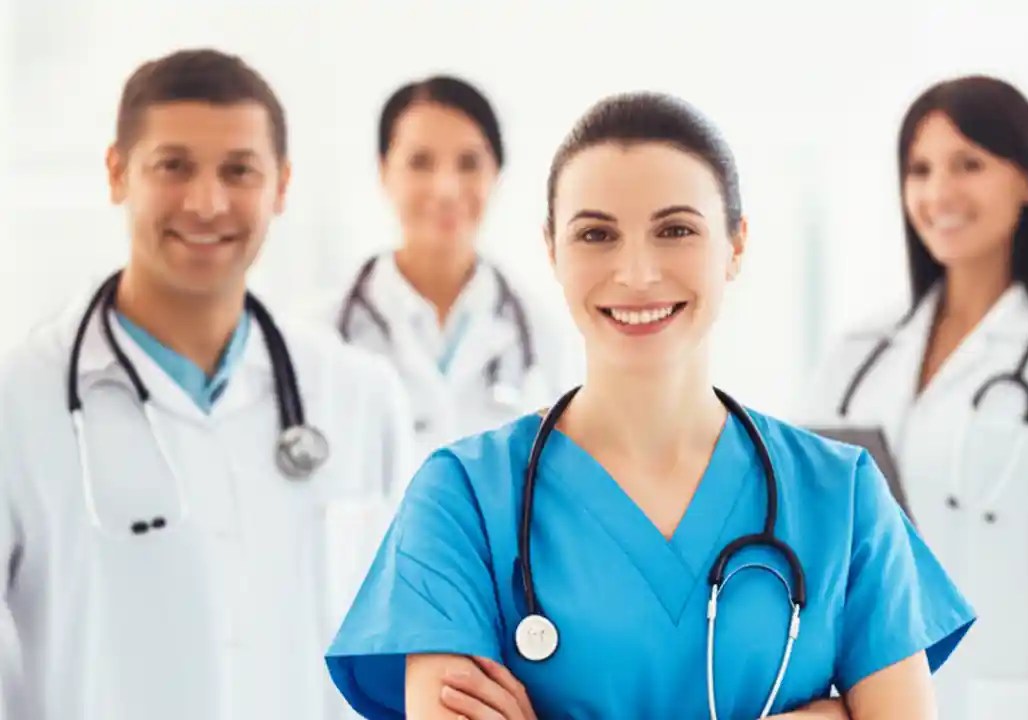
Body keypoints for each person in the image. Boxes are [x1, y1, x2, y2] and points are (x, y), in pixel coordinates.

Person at [325, 92, 975, 719]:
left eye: (674, 229)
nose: (636, 272)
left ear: (736, 245)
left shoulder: (843, 496)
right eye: (596, 235)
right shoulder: (461, 497)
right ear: (552, 251)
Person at [0, 49, 413, 720]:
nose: (206, 202)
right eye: (174, 166)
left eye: (239, 171)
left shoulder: (359, 396)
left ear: (280, 185)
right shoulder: (18, 401)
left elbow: (406, 653)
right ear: (117, 173)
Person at [800, 76, 1028, 720]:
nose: (939, 193)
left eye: (969, 165)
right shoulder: (861, 350)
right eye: (920, 169)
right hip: (874, 700)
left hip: (1016, 701)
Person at [325, 76, 578, 459]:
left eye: (469, 163)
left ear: (497, 173)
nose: (446, 188)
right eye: (420, 163)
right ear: (383, 170)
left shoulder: (547, 341)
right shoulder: (322, 335)